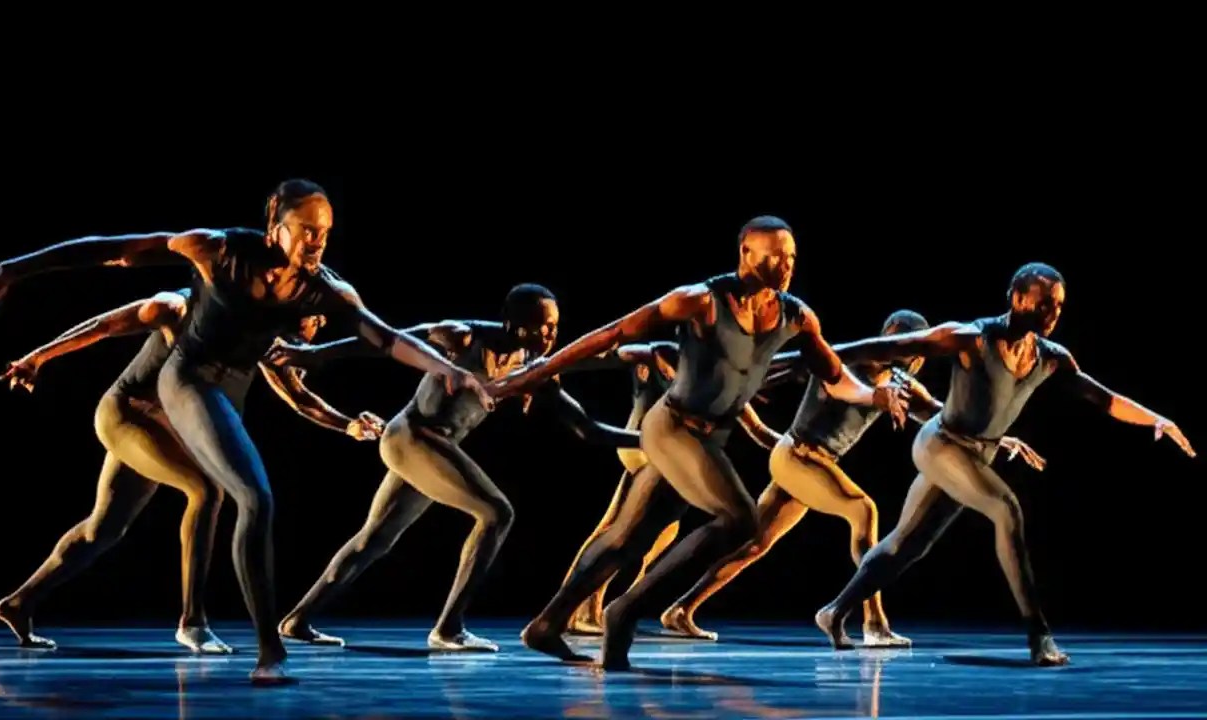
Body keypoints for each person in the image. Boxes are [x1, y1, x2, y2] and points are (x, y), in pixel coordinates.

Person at [0, 179, 490, 684]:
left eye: (325, 233)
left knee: (105, 529)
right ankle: (254, 646)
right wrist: (12, 271)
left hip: (207, 405)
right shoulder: (218, 251)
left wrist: (444, 369)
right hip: (170, 389)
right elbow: (112, 251)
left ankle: (20, 602)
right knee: (246, 496)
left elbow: (382, 338)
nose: (317, 243)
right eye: (307, 231)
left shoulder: (322, 292)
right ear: (275, 225)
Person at [487, 216, 909, 669]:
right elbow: (612, 334)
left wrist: (875, 395)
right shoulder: (701, 301)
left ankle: (547, 624)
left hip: (712, 439)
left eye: (791, 258)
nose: (785, 266)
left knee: (630, 536)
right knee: (740, 519)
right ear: (745, 253)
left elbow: (834, 377)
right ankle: (625, 611)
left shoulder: (796, 316)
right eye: (773, 256)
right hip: (672, 427)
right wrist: (529, 376)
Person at [812, 262, 1195, 666]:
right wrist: (810, 355)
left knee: (906, 546)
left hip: (977, 454)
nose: (1053, 313)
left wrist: (1156, 419)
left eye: (1059, 307)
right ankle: (1039, 635)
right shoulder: (973, 338)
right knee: (1005, 507)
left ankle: (834, 611)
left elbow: (1103, 398)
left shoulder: (1050, 358)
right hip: (941, 444)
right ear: (1016, 298)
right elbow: (891, 347)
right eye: (1045, 304)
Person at [0, 283, 383, 655]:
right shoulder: (181, 308)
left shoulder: (260, 333)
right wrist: (37, 358)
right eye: (313, 315)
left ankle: (18, 602)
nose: (319, 324)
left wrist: (348, 424)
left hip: (169, 429)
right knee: (206, 491)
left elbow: (299, 398)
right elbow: (104, 325)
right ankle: (192, 620)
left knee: (102, 529)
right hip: (129, 415)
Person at [268, 283, 642, 651]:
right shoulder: (463, 337)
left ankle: (296, 620)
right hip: (410, 436)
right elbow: (385, 342)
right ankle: (449, 628)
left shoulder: (534, 369)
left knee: (373, 540)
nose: (551, 334)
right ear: (514, 324)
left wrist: (645, 442)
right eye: (542, 325)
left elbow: (588, 429)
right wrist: (315, 355)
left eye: (555, 325)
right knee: (497, 513)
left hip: (432, 449)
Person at [658, 309, 1045, 644]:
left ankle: (680, 609)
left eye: (912, 353)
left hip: (813, 466)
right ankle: (873, 621)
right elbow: (837, 380)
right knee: (864, 510)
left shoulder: (901, 383)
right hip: (798, 456)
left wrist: (996, 436)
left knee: (755, 546)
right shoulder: (853, 369)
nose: (904, 358)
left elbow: (939, 414)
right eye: (897, 346)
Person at [552, 341, 776, 636]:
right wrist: (550, 368)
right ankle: (583, 610)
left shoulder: (721, 380)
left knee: (658, 531)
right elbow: (608, 354)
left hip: (654, 449)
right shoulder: (665, 355)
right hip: (645, 447)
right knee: (621, 531)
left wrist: (790, 446)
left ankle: (609, 607)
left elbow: (757, 428)